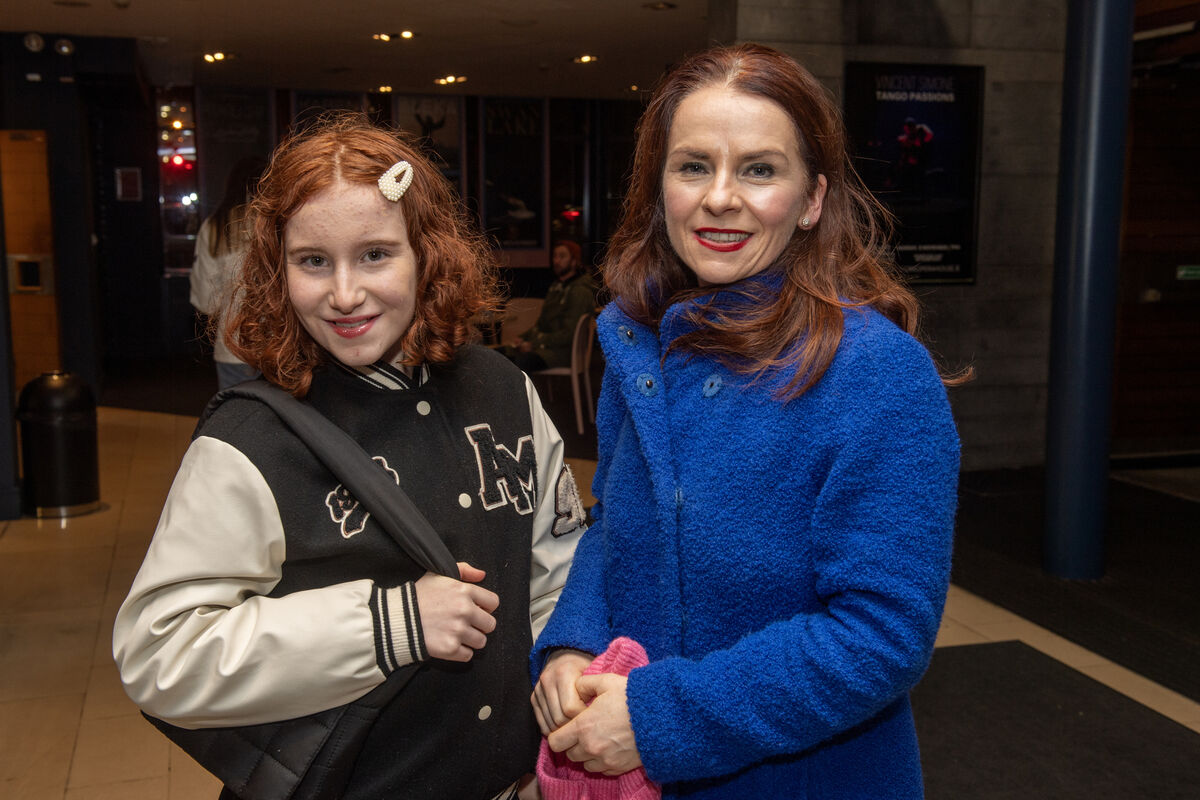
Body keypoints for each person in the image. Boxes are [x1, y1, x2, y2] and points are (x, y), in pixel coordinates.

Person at [530, 43, 963, 799]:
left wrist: (660, 717)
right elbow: (615, 529)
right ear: (659, 187)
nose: (719, 197)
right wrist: (571, 645)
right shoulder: (641, 342)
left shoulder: (877, 373)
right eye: (693, 166)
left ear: (812, 200)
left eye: (759, 169)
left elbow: (880, 634)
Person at [114, 112, 585, 800]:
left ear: (427, 253)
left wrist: (566, 661)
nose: (343, 294)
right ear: (278, 269)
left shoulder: (504, 390)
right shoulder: (249, 440)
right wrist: (387, 625)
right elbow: (160, 655)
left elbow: (554, 564)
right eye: (313, 262)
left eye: (374, 255)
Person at [189, 157, 266, 390]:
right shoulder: (276, 224)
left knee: (236, 420)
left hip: (232, 346)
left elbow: (205, 300)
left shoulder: (214, 227)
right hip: (280, 347)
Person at [509, 239, 596, 372]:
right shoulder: (556, 287)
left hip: (565, 352)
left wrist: (534, 343)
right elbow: (541, 324)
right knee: (502, 354)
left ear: (574, 261)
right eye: (554, 256)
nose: (556, 261)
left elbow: (569, 334)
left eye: (562, 256)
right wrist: (522, 338)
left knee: (520, 363)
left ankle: (520, 393)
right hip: (547, 347)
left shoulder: (580, 291)